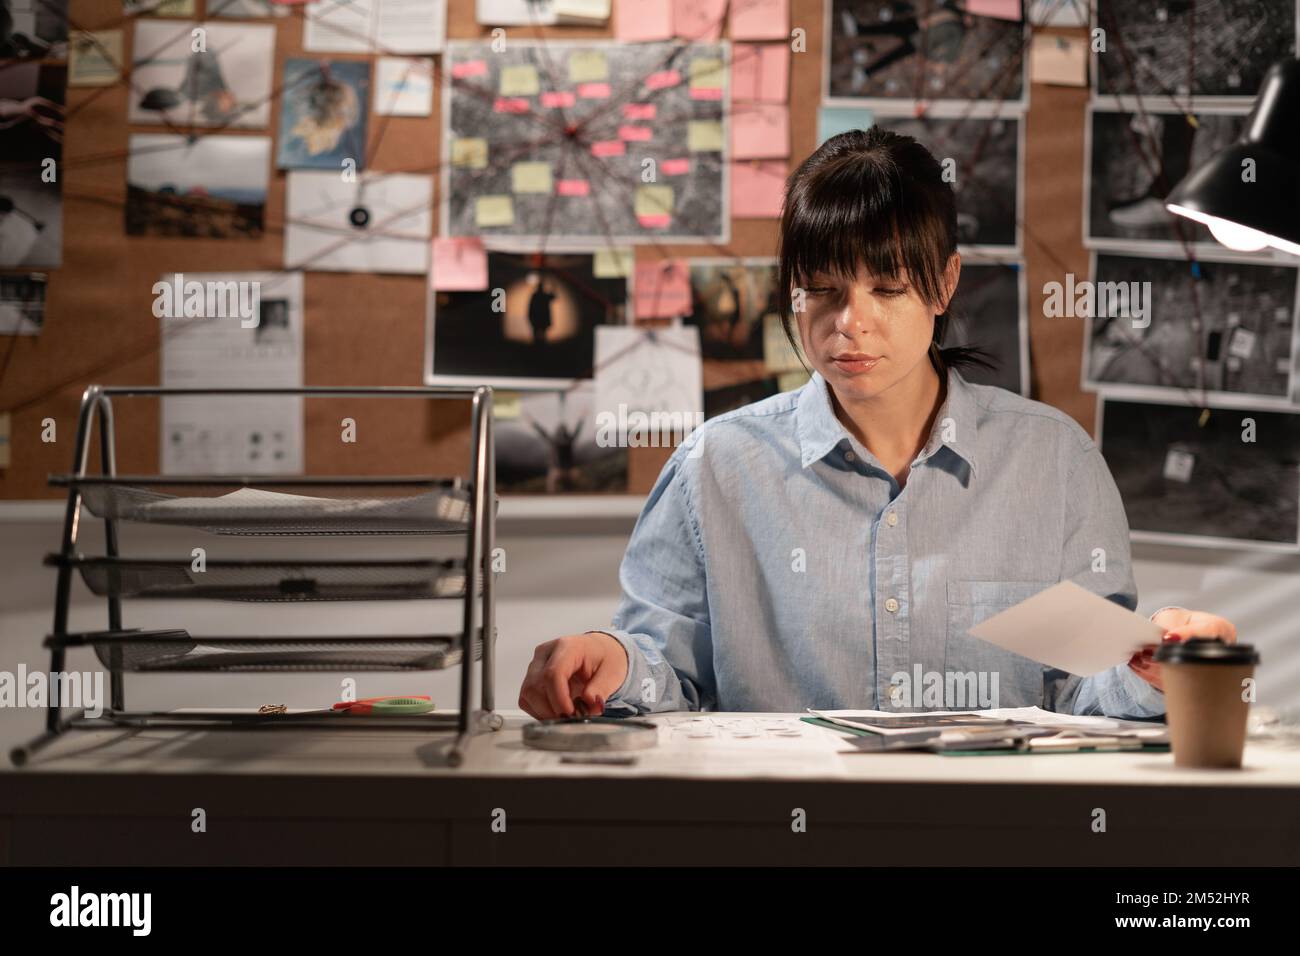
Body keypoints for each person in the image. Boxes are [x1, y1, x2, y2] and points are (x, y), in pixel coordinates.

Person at [519, 127, 1237, 721]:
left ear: (945, 283)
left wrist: (1159, 671)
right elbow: (666, 672)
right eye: (821, 291)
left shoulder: (1053, 461)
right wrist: (606, 661)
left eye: (888, 289)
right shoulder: (717, 466)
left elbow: (1090, 690)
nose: (849, 325)